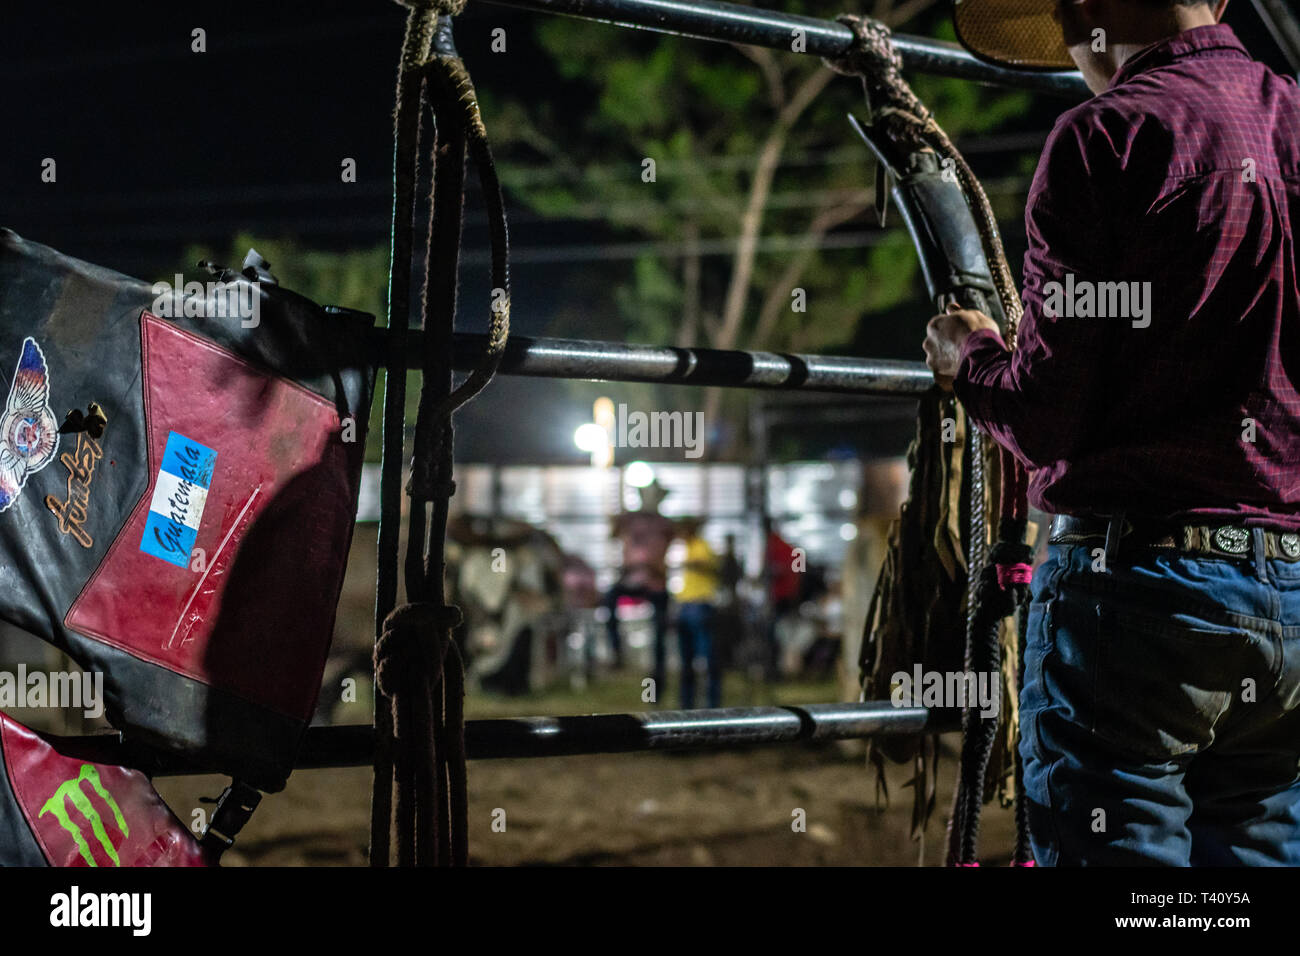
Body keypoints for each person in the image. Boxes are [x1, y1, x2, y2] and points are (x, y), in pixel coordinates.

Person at [925, 0, 1300, 865]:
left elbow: (1044, 414)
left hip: (1143, 589)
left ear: (1083, 13)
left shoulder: (1110, 135)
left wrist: (971, 356)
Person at [604, 479, 674, 696]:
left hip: (655, 581)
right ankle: (616, 651)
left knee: (659, 631)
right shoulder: (630, 520)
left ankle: (657, 683)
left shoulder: (665, 523)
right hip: (631, 578)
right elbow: (612, 531)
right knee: (609, 600)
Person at [673, 517, 723, 709]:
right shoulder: (686, 548)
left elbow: (707, 566)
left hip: (700, 605)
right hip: (686, 605)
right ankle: (687, 703)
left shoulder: (701, 546)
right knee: (687, 660)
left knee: (707, 659)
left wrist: (688, 564)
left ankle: (712, 702)